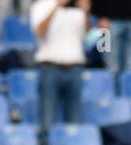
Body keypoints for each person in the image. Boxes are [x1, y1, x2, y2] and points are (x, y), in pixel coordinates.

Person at [33, 0, 89, 132]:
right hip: (50, 67)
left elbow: (90, 37)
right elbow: (40, 31)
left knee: (74, 117)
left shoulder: (78, 8)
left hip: (75, 67)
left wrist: (86, 12)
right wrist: (56, 7)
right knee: (47, 115)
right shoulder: (41, 5)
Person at [93, 0, 131, 75]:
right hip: (108, 20)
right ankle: (111, 86)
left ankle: (129, 85)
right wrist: (101, 15)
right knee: (109, 63)